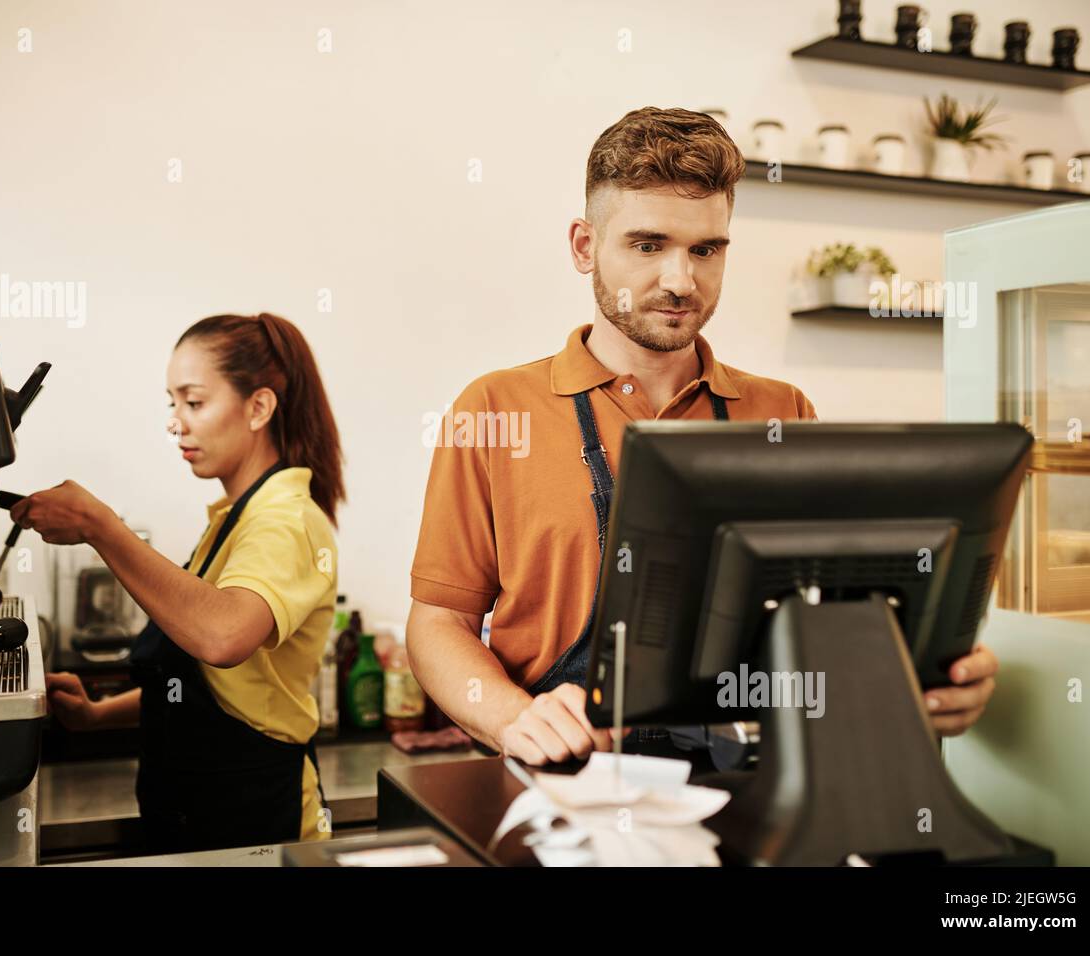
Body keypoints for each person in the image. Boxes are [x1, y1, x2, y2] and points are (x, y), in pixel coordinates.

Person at [406, 107, 998, 766]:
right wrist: (514, 717)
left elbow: (826, 623)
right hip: (559, 783)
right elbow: (439, 624)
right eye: (647, 244)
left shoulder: (783, 411)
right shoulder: (492, 408)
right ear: (584, 246)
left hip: (751, 780)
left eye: (705, 250)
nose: (680, 281)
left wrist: (922, 684)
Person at [13, 312, 344, 849]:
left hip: (259, 819)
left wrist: (100, 526)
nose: (175, 422)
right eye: (173, 403)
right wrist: (99, 716)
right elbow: (208, 692)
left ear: (258, 407)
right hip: (197, 813)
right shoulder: (234, 517)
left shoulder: (284, 519)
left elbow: (223, 637)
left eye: (194, 402)